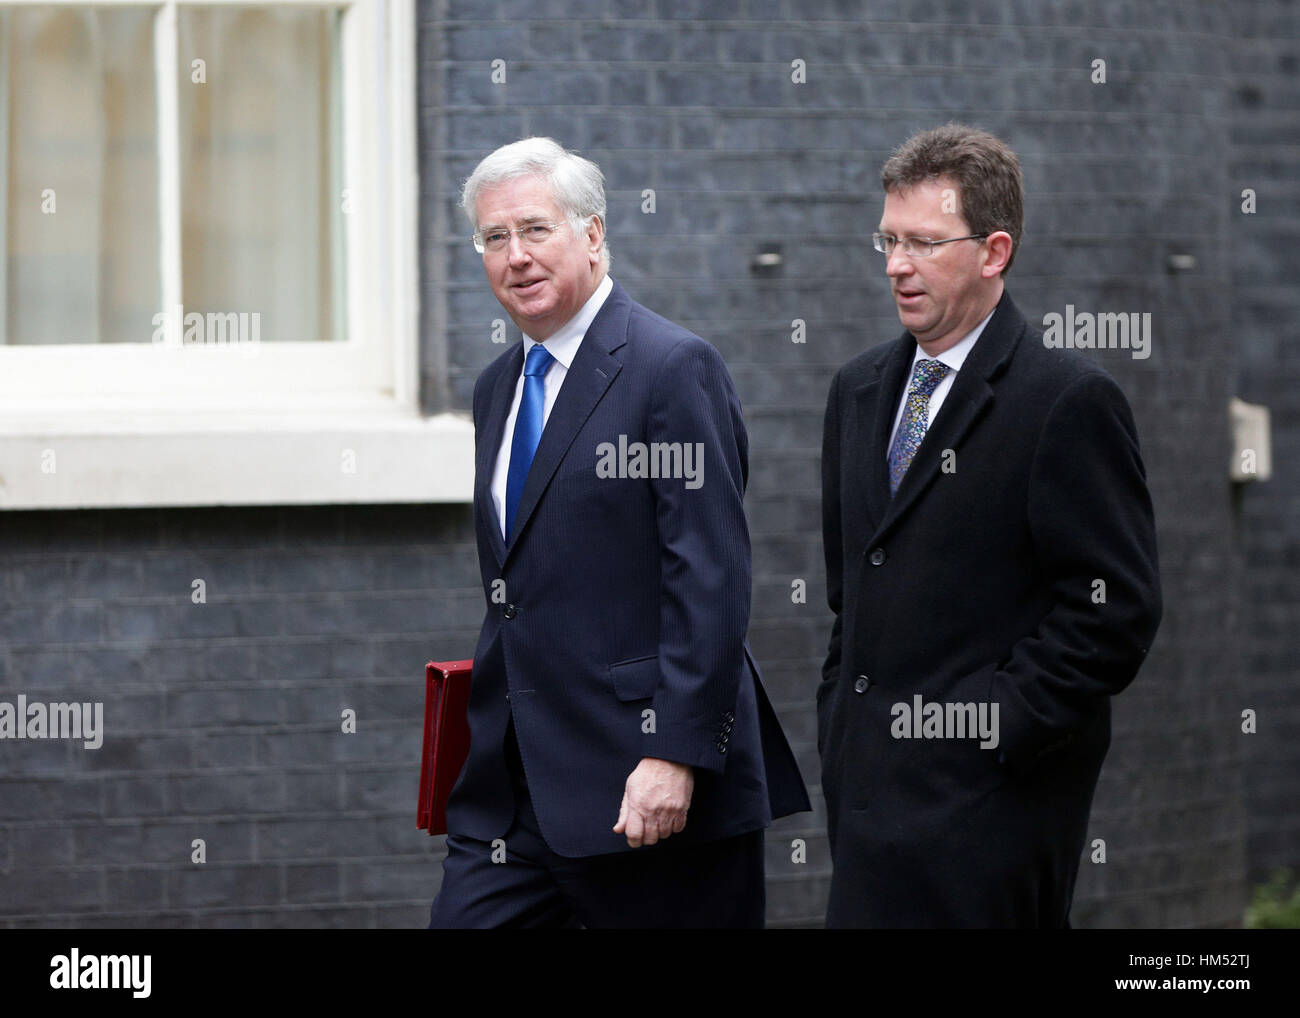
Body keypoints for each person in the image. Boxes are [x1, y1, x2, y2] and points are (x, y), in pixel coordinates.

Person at [428, 137, 810, 929]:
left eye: (536, 229)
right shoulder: (498, 389)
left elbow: (710, 580)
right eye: (494, 238)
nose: (515, 256)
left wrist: (674, 754)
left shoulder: (672, 370)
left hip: (651, 795)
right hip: (515, 797)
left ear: (594, 234)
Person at [818, 123, 1162, 927]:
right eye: (889, 240)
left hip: (990, 825)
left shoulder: (1067, 400)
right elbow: (853, 591)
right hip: (867, 810)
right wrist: (843, 730)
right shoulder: (859, 389)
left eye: (925, 244)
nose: (898, 265)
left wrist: (989, 729)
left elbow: (1114, 611)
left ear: (994, 251)